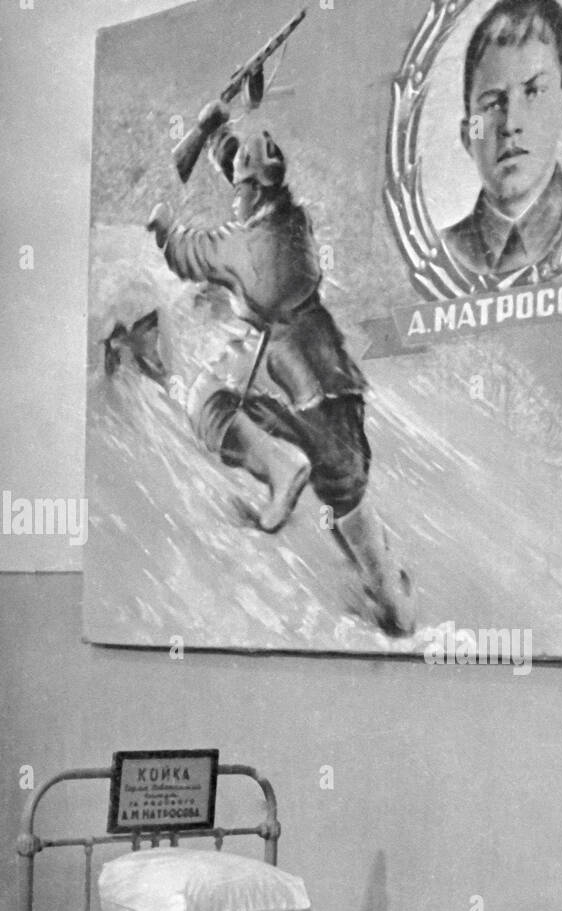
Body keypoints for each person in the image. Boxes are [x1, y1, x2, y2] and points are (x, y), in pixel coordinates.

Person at [145, 103, 415, 636]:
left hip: (283, 379)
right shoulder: (293, 221)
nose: (235, 196)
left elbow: (190, 254)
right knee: (346, 492)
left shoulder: (240, 246)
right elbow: (245, 177)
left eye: (239, 189)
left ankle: (279, 466)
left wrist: (163, 228)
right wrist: (219, 133)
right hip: (334, 379)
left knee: (208, 403)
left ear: (250, 191)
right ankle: (392, 601)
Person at [442, 0, 562, 276]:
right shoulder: (445, 250)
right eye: (492, 103)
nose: (510, 125)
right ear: (467, 136)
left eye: (534, 91)